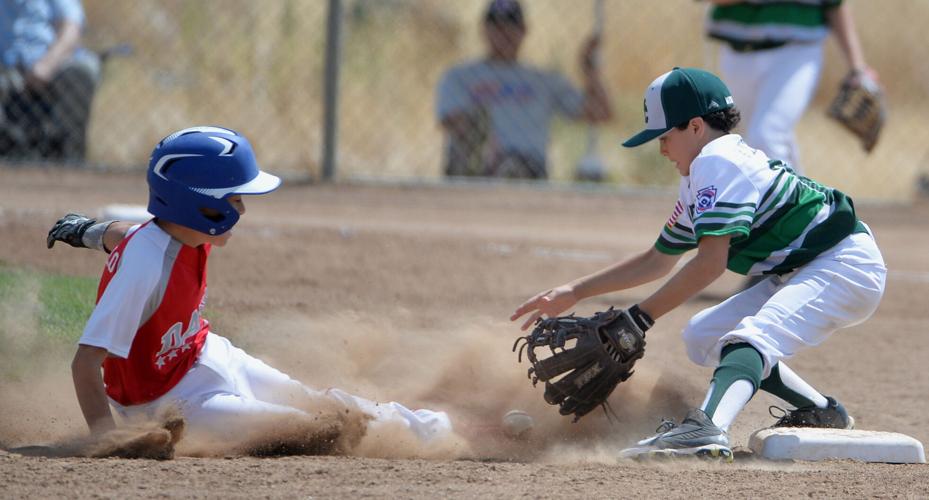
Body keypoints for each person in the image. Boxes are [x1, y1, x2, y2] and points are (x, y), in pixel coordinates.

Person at [511, 68, 886, 460]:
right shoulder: (701, 173)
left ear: (694, 126)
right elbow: (658, 259)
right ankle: (821, 412)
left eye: (665, 137)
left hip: (844, 265)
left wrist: (639, 318)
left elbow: (710, 264)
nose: (661, 149)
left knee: (750, 338)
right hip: (808, 266)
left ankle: (706, 428)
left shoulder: (719, 162)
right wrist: (575, 290)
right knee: (702, 335)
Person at [50, 126, 453, 455]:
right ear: (198, 205)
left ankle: (441, 431)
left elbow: (122, 233)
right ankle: (414, 440)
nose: (241, 210)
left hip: (207, 354)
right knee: (306, 428)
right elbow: (85, 363)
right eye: (234, 199)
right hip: (168, 402)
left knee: (319, 401)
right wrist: (108, 438)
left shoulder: (181, 231)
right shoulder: (145, 267)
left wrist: (87, 231)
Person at [435, 0, 613, 179]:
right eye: (497, 26)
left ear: (524, 30)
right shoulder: (461, 76)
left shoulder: (542, 80)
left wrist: (590, 72)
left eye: (511, 26)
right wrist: (484, 141)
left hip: (527, 165)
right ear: (484, 30)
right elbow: (451, 120)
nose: (504, 34)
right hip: (482, 161)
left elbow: (601, 113)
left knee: (511, 169)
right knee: (475, 136)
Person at [705, 0, 878, 174]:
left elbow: (835, 5)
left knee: (768, 134)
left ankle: (786, 200)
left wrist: (857, 67)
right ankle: (805, 199)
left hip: (797, 53)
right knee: (749, 142)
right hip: (739, 54)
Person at [0, 0, 99, 161]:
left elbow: (72, 28)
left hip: (53, 63)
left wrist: (46, 65)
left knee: (79, 75)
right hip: (6, 69)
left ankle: (71, 163)